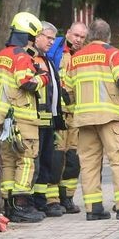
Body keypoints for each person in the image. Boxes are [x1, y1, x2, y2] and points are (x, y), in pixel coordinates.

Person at [62, 18, 119, 221]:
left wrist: (75, 111)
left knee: (89, 164)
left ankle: (94, 209)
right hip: (110, 117)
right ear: (108, 36)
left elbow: (67, 91)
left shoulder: (76, 58)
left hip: (84, 120)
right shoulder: (112, 54)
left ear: (90, 36)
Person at [0, 11, 48, 223]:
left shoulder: (1, 55)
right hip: (21, 118)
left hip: (3, 119)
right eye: (34, 36)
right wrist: (43, 78)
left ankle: (9, 205)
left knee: (9, 163)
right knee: (27, 161)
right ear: (28, 34)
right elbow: (26, 83)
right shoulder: (21, 56)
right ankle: (21, 205)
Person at [45, 21, 87, 214]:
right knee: (56, 158)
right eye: (76, 35)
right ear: (68, 33)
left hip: (76, 115)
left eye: (82, 37)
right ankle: (51, 199)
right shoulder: (55, 52)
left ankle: (67, 198)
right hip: (59, 114)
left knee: (73, 159)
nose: (78, 39)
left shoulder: (83, 57)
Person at [28, 22, 66, 217]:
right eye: (48, 37)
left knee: (46, 162)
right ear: (37, 36)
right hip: (35, 119)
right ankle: (32, 202)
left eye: (53, 38)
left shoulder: (47, 60)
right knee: (34, 163)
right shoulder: (31, 59)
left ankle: (42, 202)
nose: (52, 42)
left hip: (48, 120)